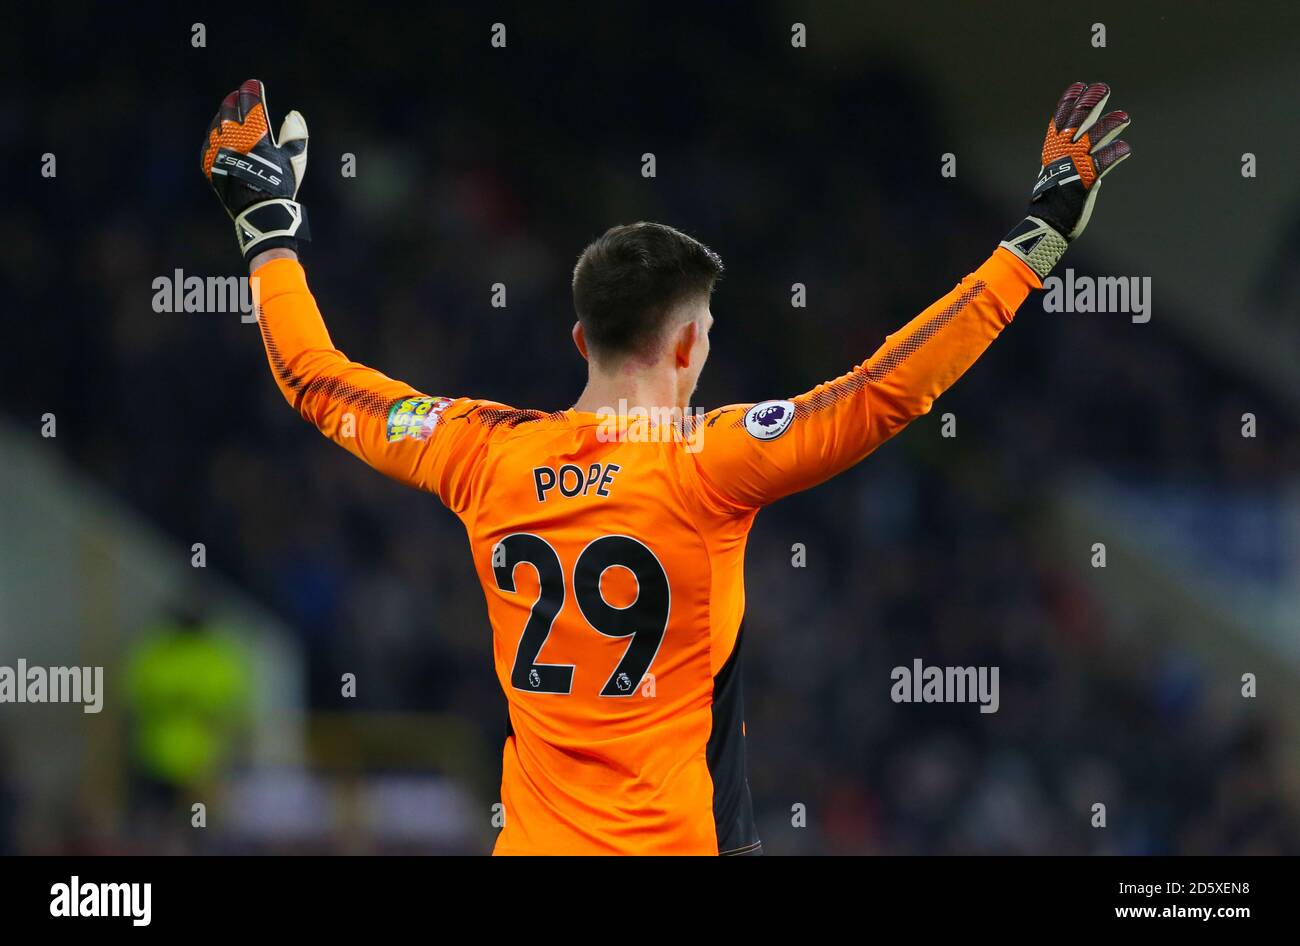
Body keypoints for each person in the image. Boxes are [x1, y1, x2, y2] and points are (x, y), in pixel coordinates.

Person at [200, 79, 1131, 854]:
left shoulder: (479, 452)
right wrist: (1035, 243)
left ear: (579, 338)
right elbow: (887, 388)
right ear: (688, 347)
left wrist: (267, 231)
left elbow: (315, 380)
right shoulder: (710, 465)